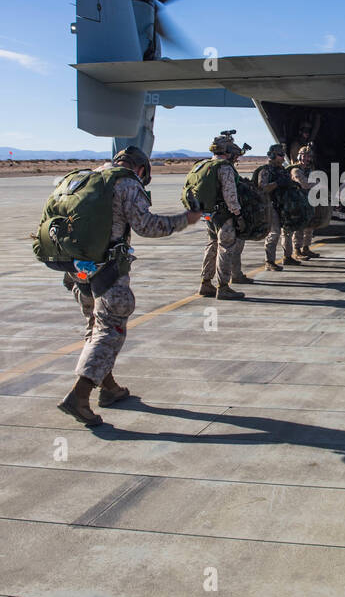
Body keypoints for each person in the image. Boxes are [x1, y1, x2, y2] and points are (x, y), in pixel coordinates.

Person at [56, 146, 202, 426]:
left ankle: (109, 388)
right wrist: (185, 219)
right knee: (110, 330)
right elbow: (146, 225)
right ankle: (80, 395)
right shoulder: (125, 181)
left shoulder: (86, 178)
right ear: (141, 169)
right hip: (107, 270)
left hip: (76, 269)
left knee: (95, 327)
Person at [198, 133, 250, 300]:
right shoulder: (225, 168)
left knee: (211, 246)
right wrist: (238, 214)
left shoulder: (204, 165)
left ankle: (205, 283)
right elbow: (230, 195)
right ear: (226, 150)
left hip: (208, 214)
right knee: (226, 249)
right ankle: (224, 287)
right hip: (224, 216)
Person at [254, 143, 294, 269]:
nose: (283, 158)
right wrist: (277, 183)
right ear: (272, 155)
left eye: (283, 155)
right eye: (280, 155)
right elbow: (263, 188)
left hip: (283, 205)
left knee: (288, 231)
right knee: (274, 233)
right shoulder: (265, 170)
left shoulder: (282, 169)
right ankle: (269, 262)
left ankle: (288, 257)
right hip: (270, 205)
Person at [288, 142, 322, 261]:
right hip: (298, 203)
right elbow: (305, 184)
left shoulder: (309, 170)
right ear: (299, 157)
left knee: (309, 226)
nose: (306, 158)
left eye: (308, 156)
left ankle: (306, 248)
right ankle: (296, 250)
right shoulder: (296, 170)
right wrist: (316, 183)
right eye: (304, 156)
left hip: (308, 201)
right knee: (299, 227)